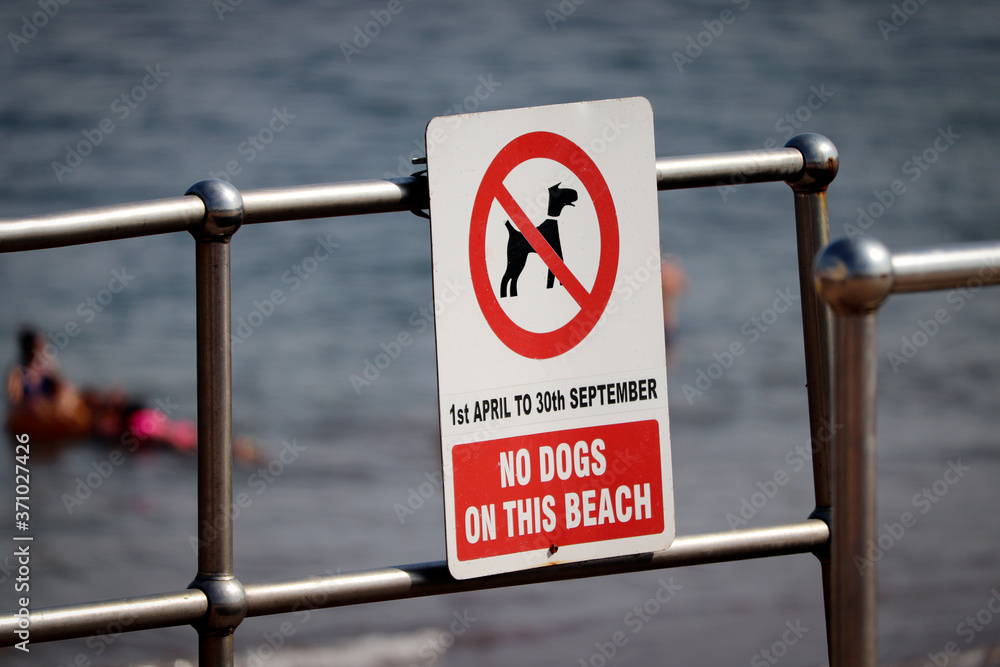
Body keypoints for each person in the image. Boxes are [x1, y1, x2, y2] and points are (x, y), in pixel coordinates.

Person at [6, 326, 264, 463]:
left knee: (175, 441)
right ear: (31, 349)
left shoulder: (48, 372)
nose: (44, 353)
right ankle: (230, 449)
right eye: (40, 348)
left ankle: (229, 449)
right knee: (175, 440)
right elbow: (16, 402)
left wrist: (51, 371)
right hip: (46, 414)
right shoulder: (18, 374)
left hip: (82, 416)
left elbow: (66, 391)